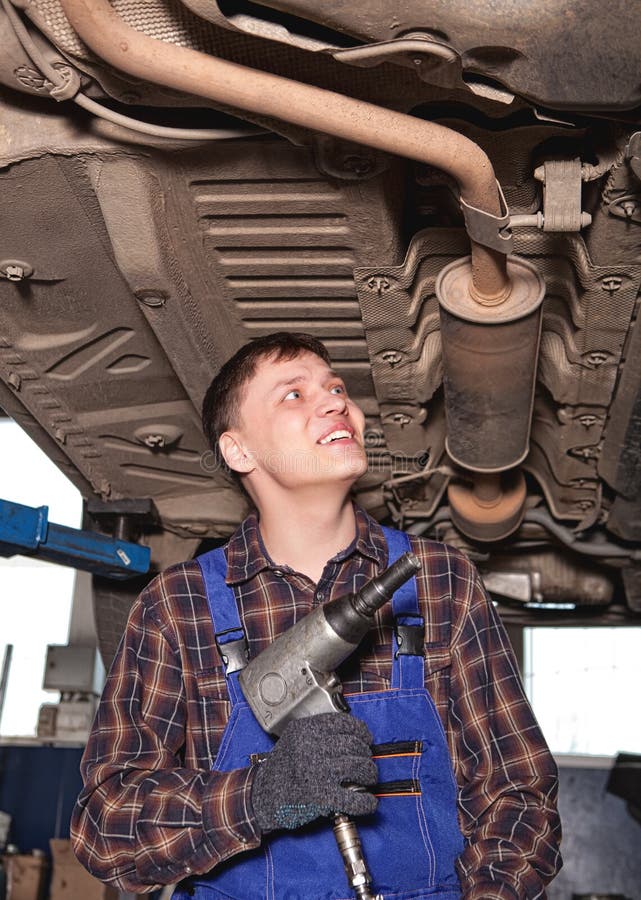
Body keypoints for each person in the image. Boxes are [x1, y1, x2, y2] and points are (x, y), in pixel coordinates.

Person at [71, 332, 562, 899]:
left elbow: (518, 792)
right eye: (294, 394)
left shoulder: (438, 580)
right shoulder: (180, 604)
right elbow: (105, 828)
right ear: (238, 451)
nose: (335, 402)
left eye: (336, 388)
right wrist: (258, 797)